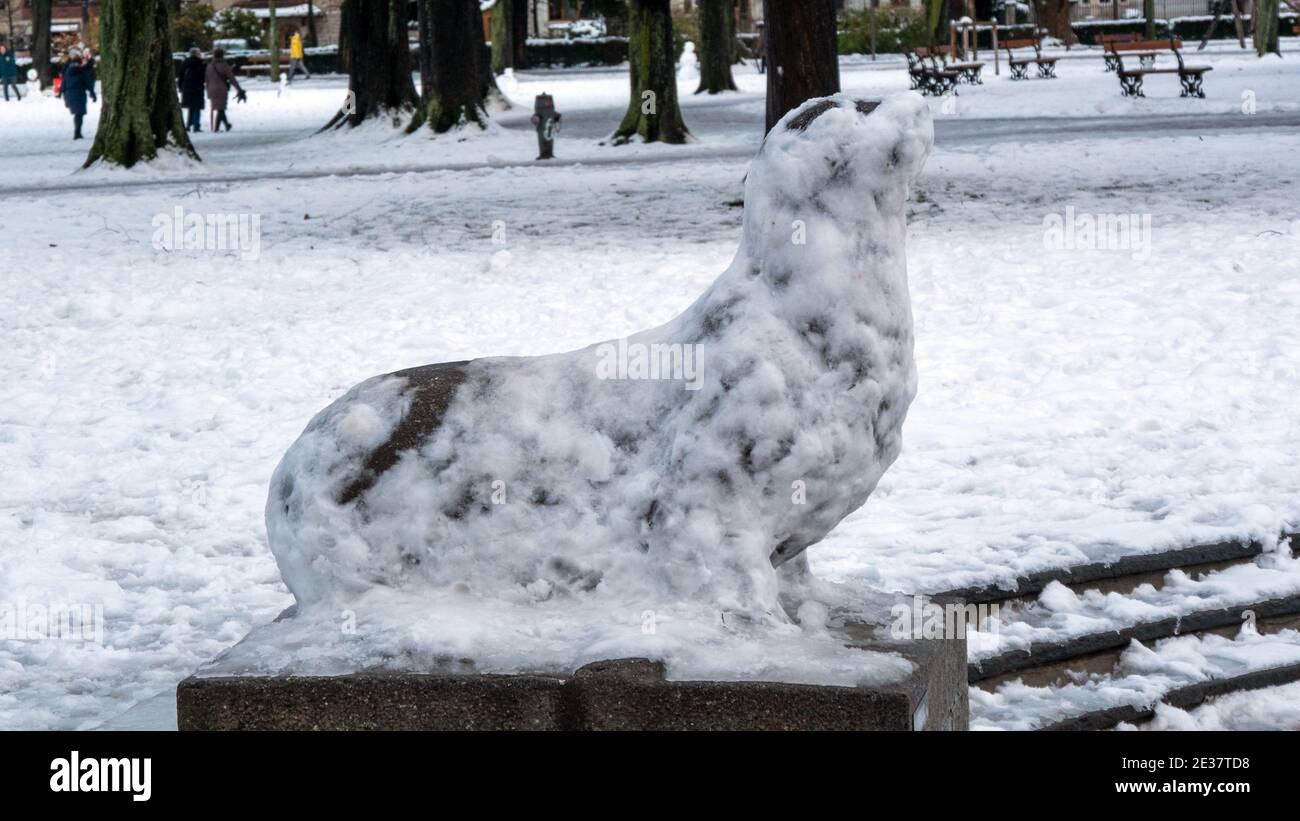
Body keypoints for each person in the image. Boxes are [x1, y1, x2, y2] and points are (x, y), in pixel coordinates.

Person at [59, 48, 97, 140]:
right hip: (80, 94)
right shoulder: (81, 72)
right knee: (79, 114)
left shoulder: (67, 72)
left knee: (77, 113)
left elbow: (63, 84)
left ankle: (77, 132)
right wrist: (93, 94)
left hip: (70, 94)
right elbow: (88, 83)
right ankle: (77, 132)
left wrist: (63, 95)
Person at [205, 48, 245, 132]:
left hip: (212, 89)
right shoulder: (224, 65)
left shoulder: (209, 66)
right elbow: (232, 79)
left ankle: (226, 125)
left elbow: (207, 80)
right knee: (221, 108)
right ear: (222, 55)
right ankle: (217, 128)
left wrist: (208, 92)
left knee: (220, 108)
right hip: (221, 89)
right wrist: (239, 89)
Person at [178, 47, 206, 132]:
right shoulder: (201, 63)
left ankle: (189, 124)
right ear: (197, 54)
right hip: (197, 87)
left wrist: (180, 87)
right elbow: (203, 77)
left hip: (187, 87)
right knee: (197, 107)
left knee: (191, 106)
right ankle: (196, 125)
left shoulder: (185, 63)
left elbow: (180, 76)